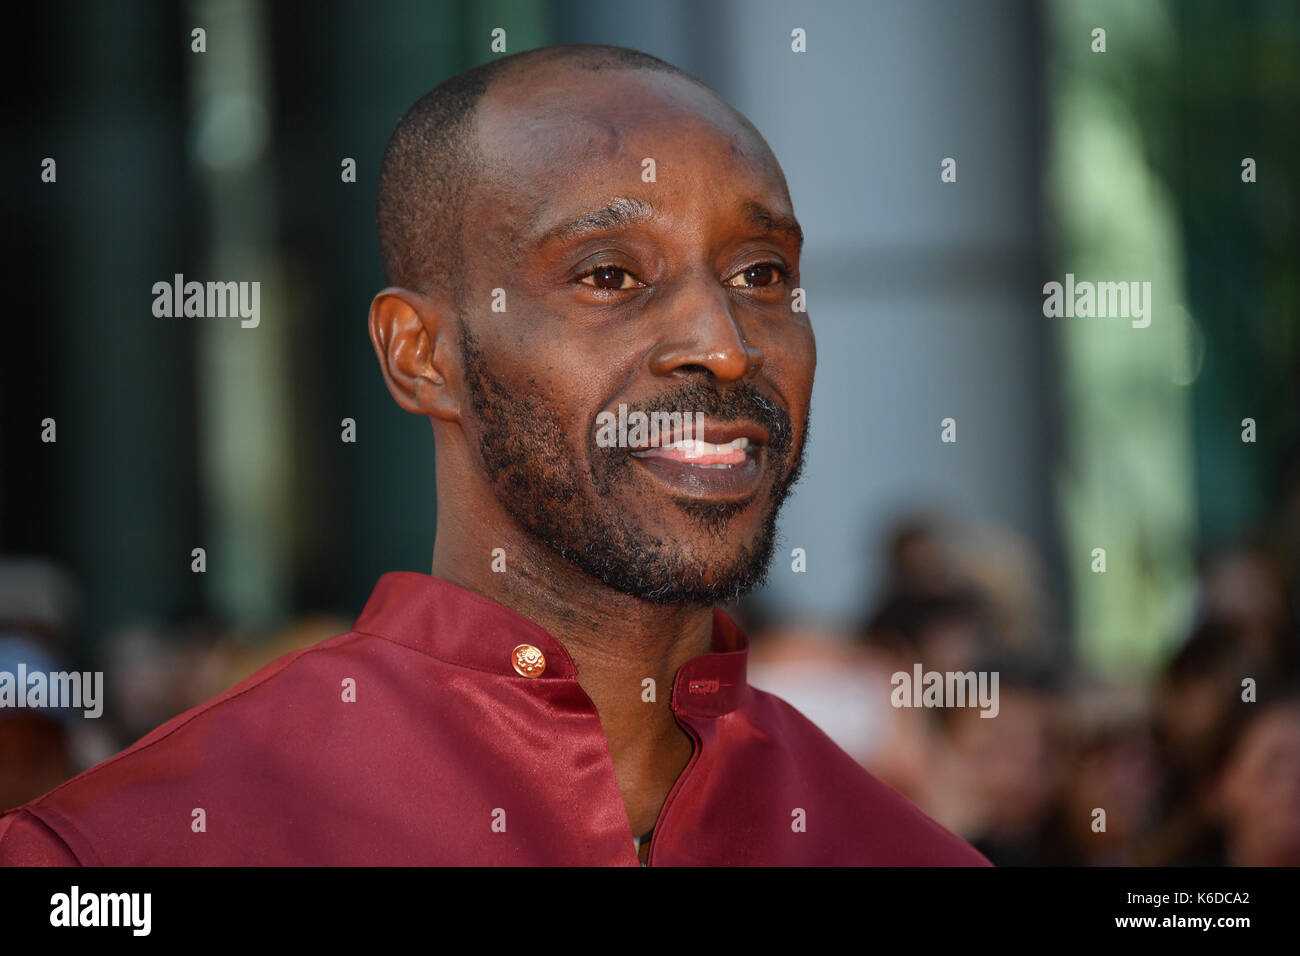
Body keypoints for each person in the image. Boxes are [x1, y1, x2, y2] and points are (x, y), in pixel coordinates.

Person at [0, 43, 987, 866]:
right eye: (608, 274)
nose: (725, 341)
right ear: (420, 355)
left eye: (761, 272)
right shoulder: (120, 850)